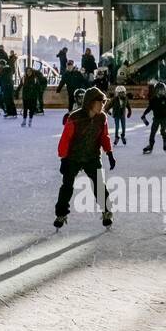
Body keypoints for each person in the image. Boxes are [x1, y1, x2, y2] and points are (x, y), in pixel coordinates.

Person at [53, 85, 115, 229]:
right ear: (90, 102)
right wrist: (63, 159)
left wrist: (109, 153)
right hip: (73, 157)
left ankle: (106, 212)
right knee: (67, 186)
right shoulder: (74, 118)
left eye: (103, 102)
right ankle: (61, 214)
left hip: (92, 156)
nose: (102, 105)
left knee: (99, 185)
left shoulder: (102, 118)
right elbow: (65, 139)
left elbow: (104, 137)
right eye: (100, 102)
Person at [141, 81, 166, 154]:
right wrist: (144, 114)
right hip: (156, 118)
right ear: (156, 91)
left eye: (162, 90)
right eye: (159, 90)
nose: (161, 92)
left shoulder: (165, 99)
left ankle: (165, 140)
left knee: (162, 131)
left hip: (164, 118)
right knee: (152, 132)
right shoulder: (153, 100)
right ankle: (150, 145)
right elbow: (149, 108)